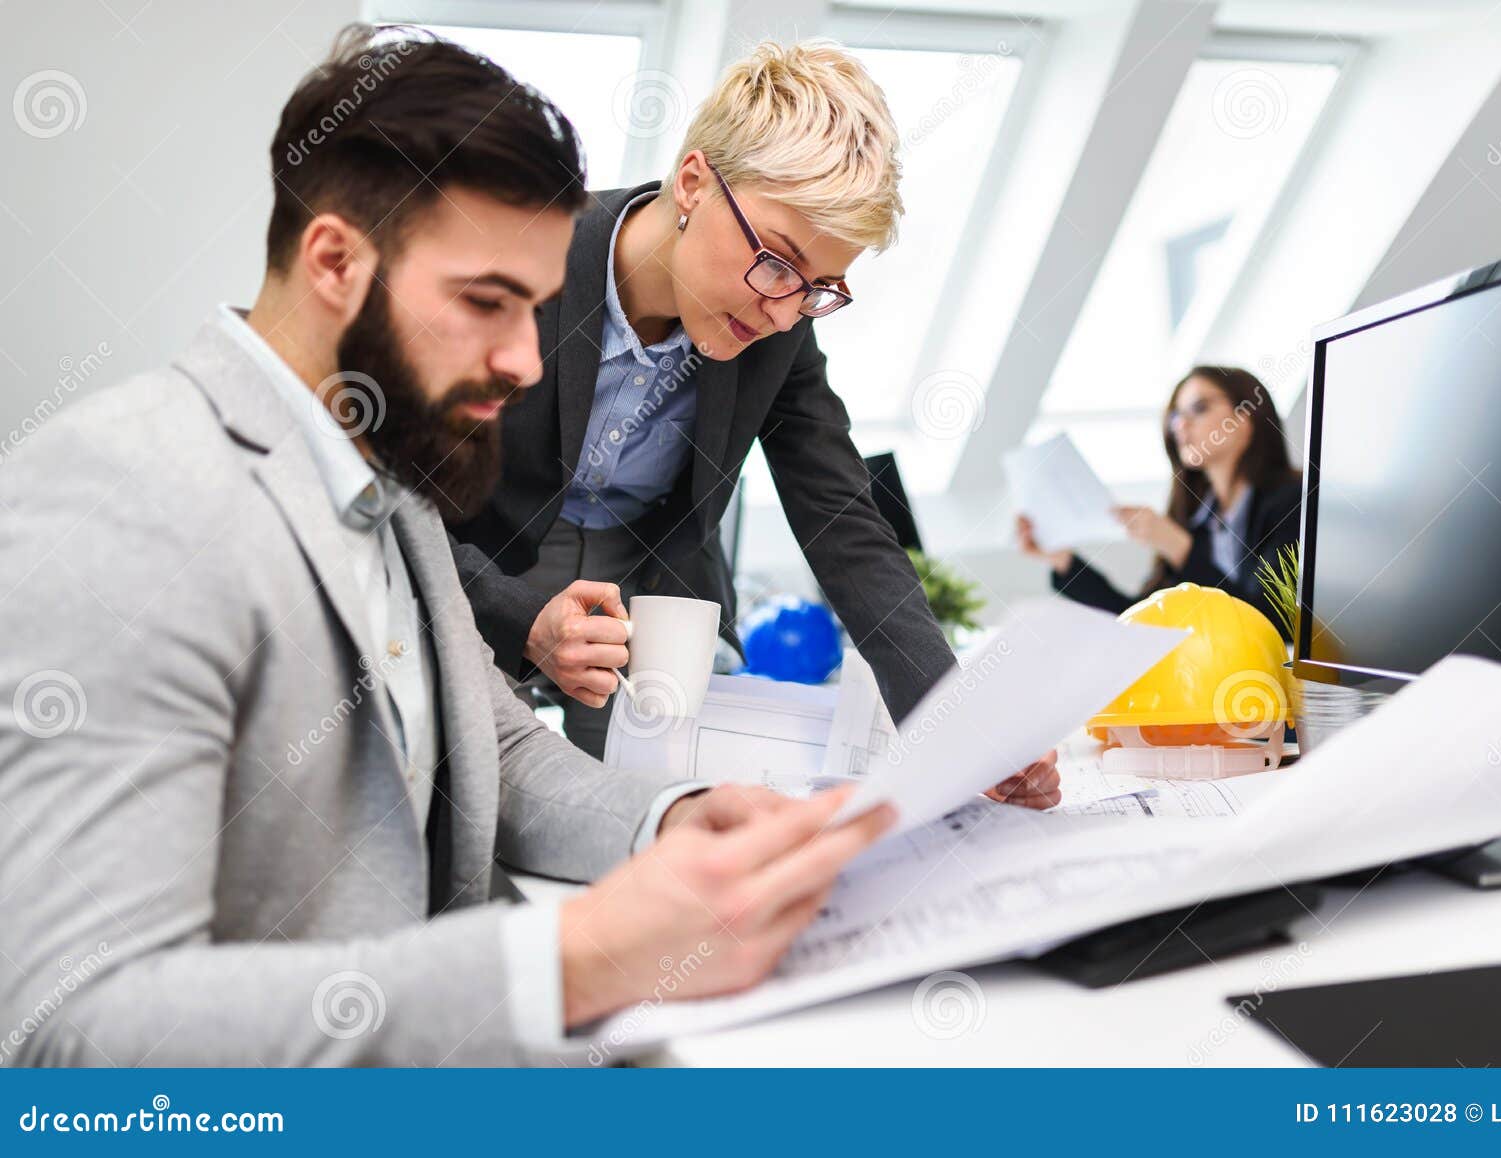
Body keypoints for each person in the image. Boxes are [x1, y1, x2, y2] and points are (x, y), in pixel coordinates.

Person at [0, 28, 898, 1067]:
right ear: (335, 259)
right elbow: (70, 1029)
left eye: (532, 306)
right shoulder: (120, 493)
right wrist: (571, 958)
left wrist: (672, 821)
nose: (523, 361)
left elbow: (494, 750)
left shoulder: (389, 474)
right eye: (485, 302)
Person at [446, 41, 1058, 808]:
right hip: (477, 578)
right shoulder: (528, 258)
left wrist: (957, 724)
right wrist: (516, 617)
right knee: (468, 798)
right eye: (775, 259)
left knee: (665, 826)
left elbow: (842, 519)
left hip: (652, 612)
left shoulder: (781, 327)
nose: (782, 310)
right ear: (695, 182)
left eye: (820, 287)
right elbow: (397, 494)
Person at [1018, 366, 1301, 633]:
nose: (1180, 425)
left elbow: (1271, 622)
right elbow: (1139, 621)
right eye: (1175, 415)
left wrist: (1178, 548)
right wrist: (1063, 561)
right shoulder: (1195, 515)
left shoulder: (1294, 501)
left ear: (1245, 416)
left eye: (1199, 408)